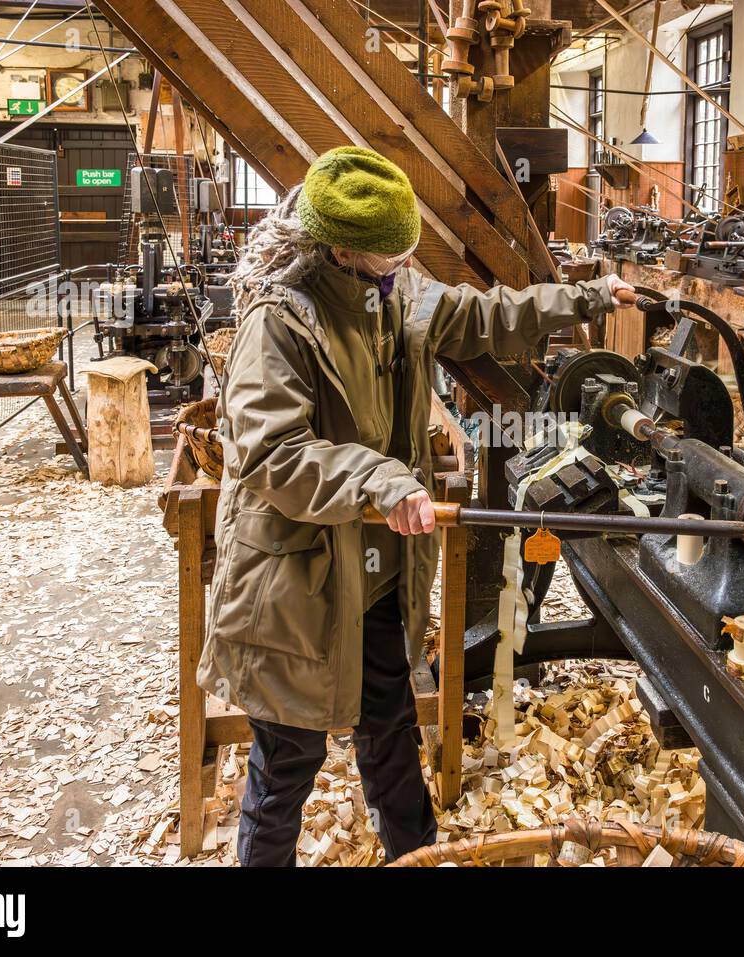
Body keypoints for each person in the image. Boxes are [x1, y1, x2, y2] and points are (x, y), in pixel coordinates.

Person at [197, 146, 635, 866]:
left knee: (391, 736)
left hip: (372, 575)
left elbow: (487, 314)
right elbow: (274, 455)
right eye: (389, 257)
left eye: (407, 255)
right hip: (295, 586)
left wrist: (585, 298)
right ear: (340, 248)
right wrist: (381, 480)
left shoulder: (392, 293)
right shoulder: (279, 323)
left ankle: (416, 856)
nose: (403, 267)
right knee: (286, 769)